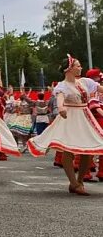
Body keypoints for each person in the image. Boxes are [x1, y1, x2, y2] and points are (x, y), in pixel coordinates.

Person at [27, 55, 103, 195]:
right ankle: (73, 182)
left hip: (84, 118)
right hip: (69, 118)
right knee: (68, 149)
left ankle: (79, 181)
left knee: (87, 149)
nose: (80, 68)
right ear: (69, 68)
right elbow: (60, 97)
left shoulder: (85, 82)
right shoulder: (62, 86)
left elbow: (100, 89)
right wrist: (61, 107)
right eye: (78, 65)